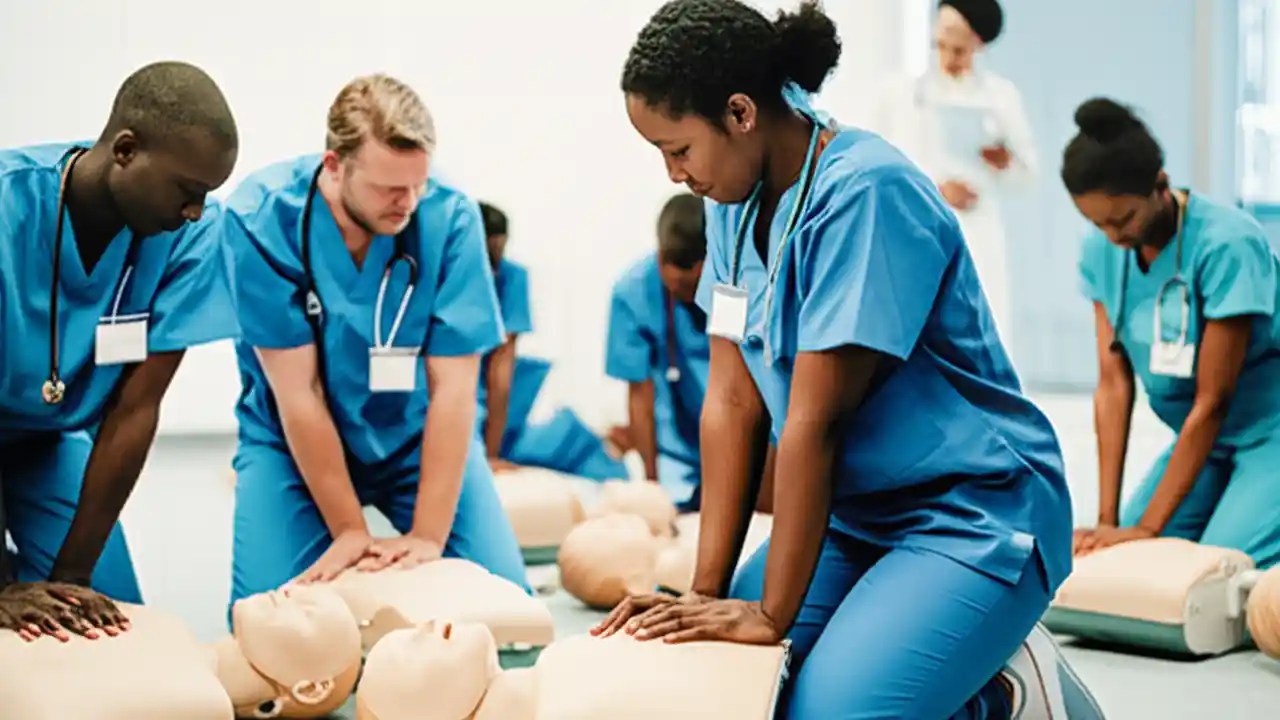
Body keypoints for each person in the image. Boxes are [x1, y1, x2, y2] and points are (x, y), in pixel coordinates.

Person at [593, 1, 1094, 717]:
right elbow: (732, 402)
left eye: (679, 149)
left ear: (740, 114)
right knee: (729, 681)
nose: (675, 174)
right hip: (857, 514)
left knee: (824, 713)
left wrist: (770, 615)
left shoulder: (865, 192)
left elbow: (813, 422)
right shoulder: (729, 201)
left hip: (972, 511)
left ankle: (1003, 692)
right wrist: (705, 591)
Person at [224, 73, 528, 608]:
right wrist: (349, 529)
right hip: (290, 444)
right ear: (335, 166)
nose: (407, 202)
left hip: (413, 437)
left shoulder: (450, 217)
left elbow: (455, 390)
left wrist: (429, 537)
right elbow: (300, 393)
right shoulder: (261, 219)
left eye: (418, 184)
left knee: (505, 607)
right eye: (389, 188)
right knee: (271, 621)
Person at [0, 61, 240, 641]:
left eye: (206, 195)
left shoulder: (192, 237)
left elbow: (136, 407)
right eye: (187, 191)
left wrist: (74, 578)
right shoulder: (9, 208)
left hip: (46, 441)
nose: (195, 211)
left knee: (106, 629)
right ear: (126, 150)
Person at [1069, 98, 1280, 569]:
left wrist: (1146, 528)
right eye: (1097, 223)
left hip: (1269, 431)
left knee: (1216, 576)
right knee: (1121, 564)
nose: (1112, 236)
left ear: (1160, 186)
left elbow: (1213, 400)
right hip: (1199, 440)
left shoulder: (1227, 243)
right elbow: (1113, 384)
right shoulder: (1101, 250)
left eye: (1123, 220)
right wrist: (1110, 521)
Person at [869, 0, 1035, 347]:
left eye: (958, 49)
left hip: (978, 226)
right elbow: (883, 167)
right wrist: (936, 188)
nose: (948, 58)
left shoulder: (1001, 98)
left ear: (978, 45)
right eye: (940, 46)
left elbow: (1028, 175)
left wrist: (1004, 162)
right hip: (919, 222)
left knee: (981, 320)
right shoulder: (905, 95)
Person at [604, 193, 716, 510]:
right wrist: (651, 486)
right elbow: (640, 394)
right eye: (678, 289)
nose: (688, 297)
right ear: (661, 260)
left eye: (695, 289)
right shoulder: (633, 292)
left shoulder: (737, 283)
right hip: (676, 447)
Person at [474, 201, 533, 470]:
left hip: (491, 403)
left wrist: (491, 455)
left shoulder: (512, 278)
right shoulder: (443, 276)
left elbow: (501, 374)